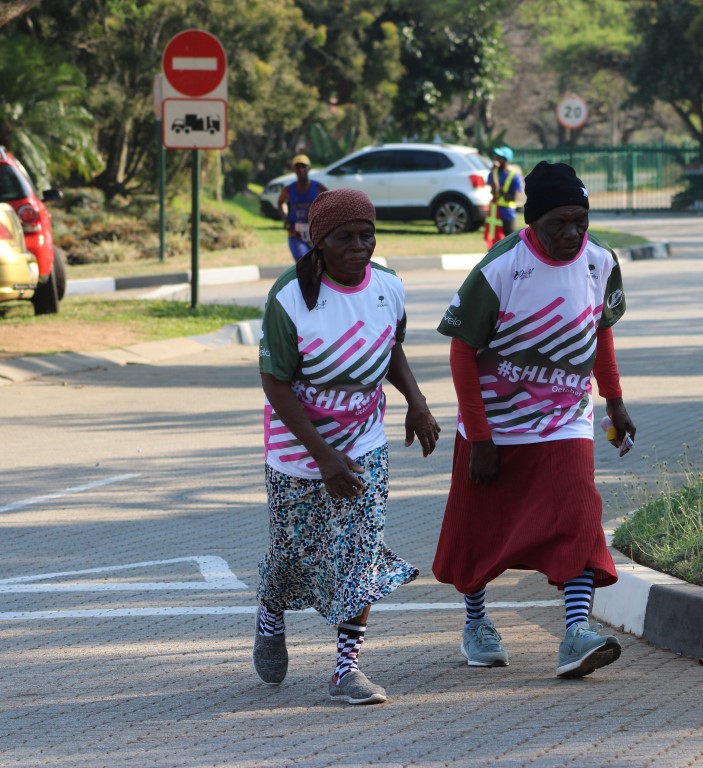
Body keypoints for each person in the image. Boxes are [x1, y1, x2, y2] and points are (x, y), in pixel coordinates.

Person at [433, 160, 637, 679]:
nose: (571, 234)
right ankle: (476, 623)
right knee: (478, 530)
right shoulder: (501, 268)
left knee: (579, 515)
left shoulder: (599, 262)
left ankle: (575, 634)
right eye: (558, 224)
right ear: (533, 222)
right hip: (496, 424)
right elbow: (462, 353)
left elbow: (601, 334)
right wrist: (480, 437)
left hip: (565, 418)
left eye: (580, 222)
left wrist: (613, 402)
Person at [252, 188, 441, 705]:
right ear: (320, 243)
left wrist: (417, 401)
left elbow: (391, 346)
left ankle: (346, 669)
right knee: (295, 554)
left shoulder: (388, 286)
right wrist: (323, 456)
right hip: (296, 449)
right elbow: (276, 385)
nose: (359, 246)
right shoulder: (290, 297)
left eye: (366, 235)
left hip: (364, 439)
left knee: (359, 550)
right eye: (345, 237)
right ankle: (271, 607)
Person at [277, 154, 328, 262]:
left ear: (309, 168)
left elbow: (330, 202)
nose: (301, 169)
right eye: (298, 166)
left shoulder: (318, 187)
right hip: (296, 234)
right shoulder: (289, 190)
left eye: (303, 166)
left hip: (315, 234)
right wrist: (285, 218)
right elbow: (281, 203)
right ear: (294, 169)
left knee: (319, 263)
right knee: (303, 263)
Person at [488, 146, 522, 238]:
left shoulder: (514, 177)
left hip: (507, 213)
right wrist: (494, 172)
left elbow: (514, 198)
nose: (496, 159)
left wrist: (501, 191)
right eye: (496, 156)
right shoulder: (492, 173)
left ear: (505, 160)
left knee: (509, 239)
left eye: (499, 157)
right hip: (495, 212)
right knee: (494, 240)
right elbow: (494, 190)